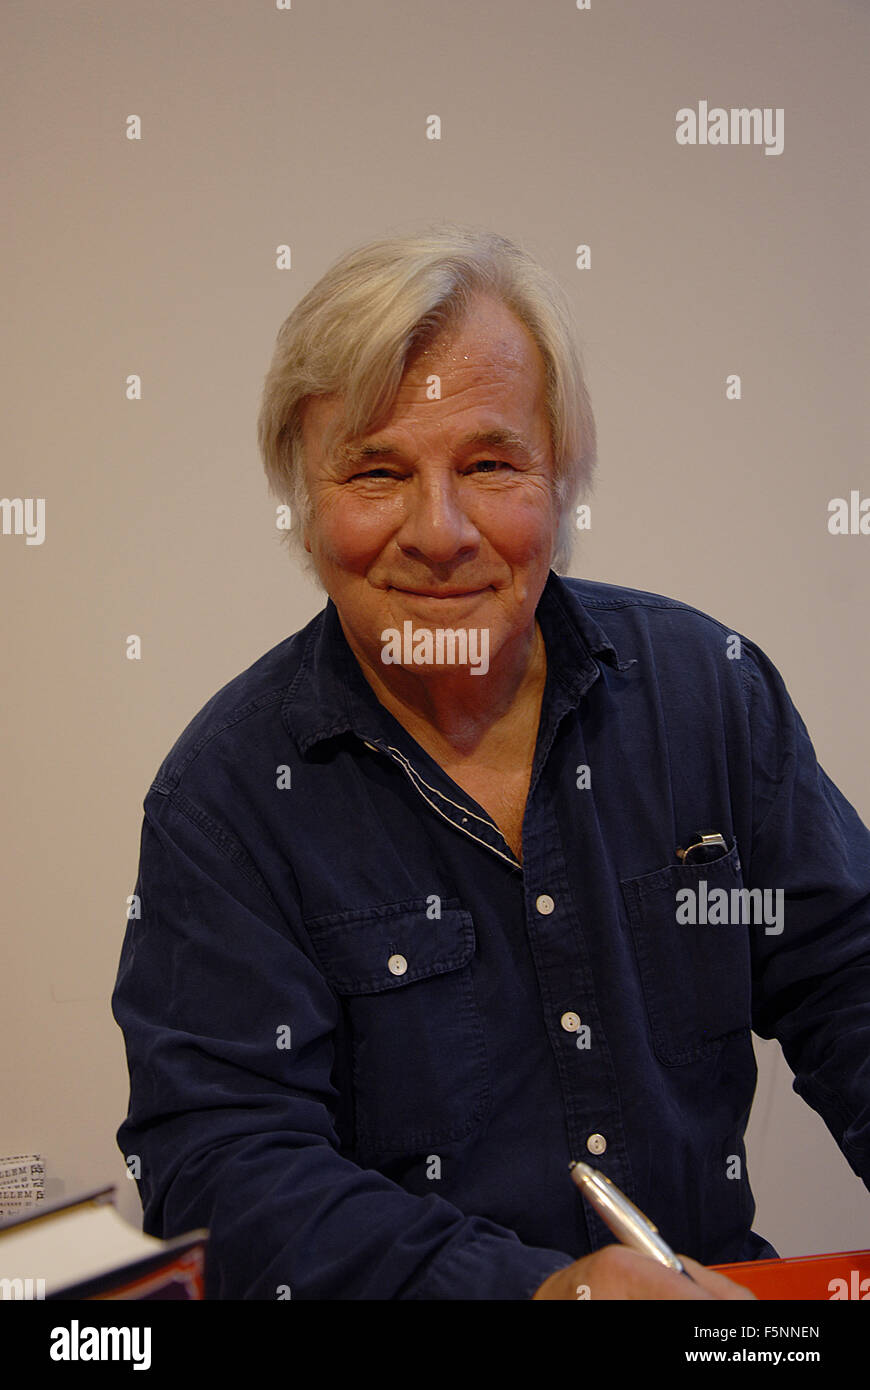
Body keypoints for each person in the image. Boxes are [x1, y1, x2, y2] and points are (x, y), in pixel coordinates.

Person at [112, 226, 870, 1300]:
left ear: (561, 479)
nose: (441, 531)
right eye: (378, 470)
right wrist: (537, 1294)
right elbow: (226, 1176)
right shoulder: (224, 803)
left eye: (489, 464)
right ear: (305, 505)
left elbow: (849, 977)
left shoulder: (708, 691)